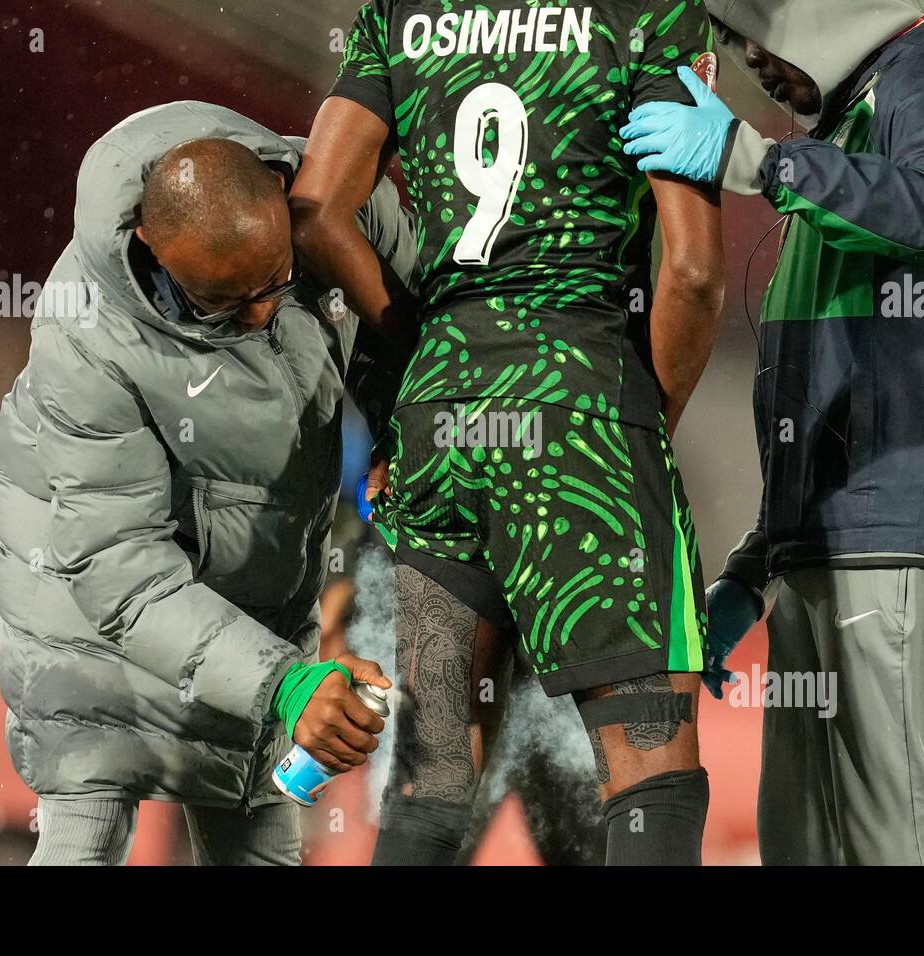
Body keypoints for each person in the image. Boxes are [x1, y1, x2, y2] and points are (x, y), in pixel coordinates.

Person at [620, 1, 924, 864]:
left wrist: (750, 158)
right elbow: (845, 391)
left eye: (757, 31)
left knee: (891, 845)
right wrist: (759, 568)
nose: (756, 62)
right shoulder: (879, 104)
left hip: (909, 529)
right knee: (812, 851)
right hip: (859, 533)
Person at [291, 1, 727, 865]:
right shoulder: (651, 11)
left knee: (434, 772)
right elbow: (696, 270)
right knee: (651, 773)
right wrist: (641, 424)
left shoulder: (401, 11)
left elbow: (313, 211)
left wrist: (428, 355)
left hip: (444, 419)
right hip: (586, 405)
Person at [0, 100, 416, 865]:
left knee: (259, 841)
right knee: (88, 824)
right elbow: (118, 572)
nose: (258, 316)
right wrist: (287, 684)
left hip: (257, 570)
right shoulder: (82, 335)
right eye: (221, 301)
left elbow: (420, 325)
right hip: (87, 586)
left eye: (275, 283)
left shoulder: (336, 204)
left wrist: (393, 428)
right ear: (151, 246)